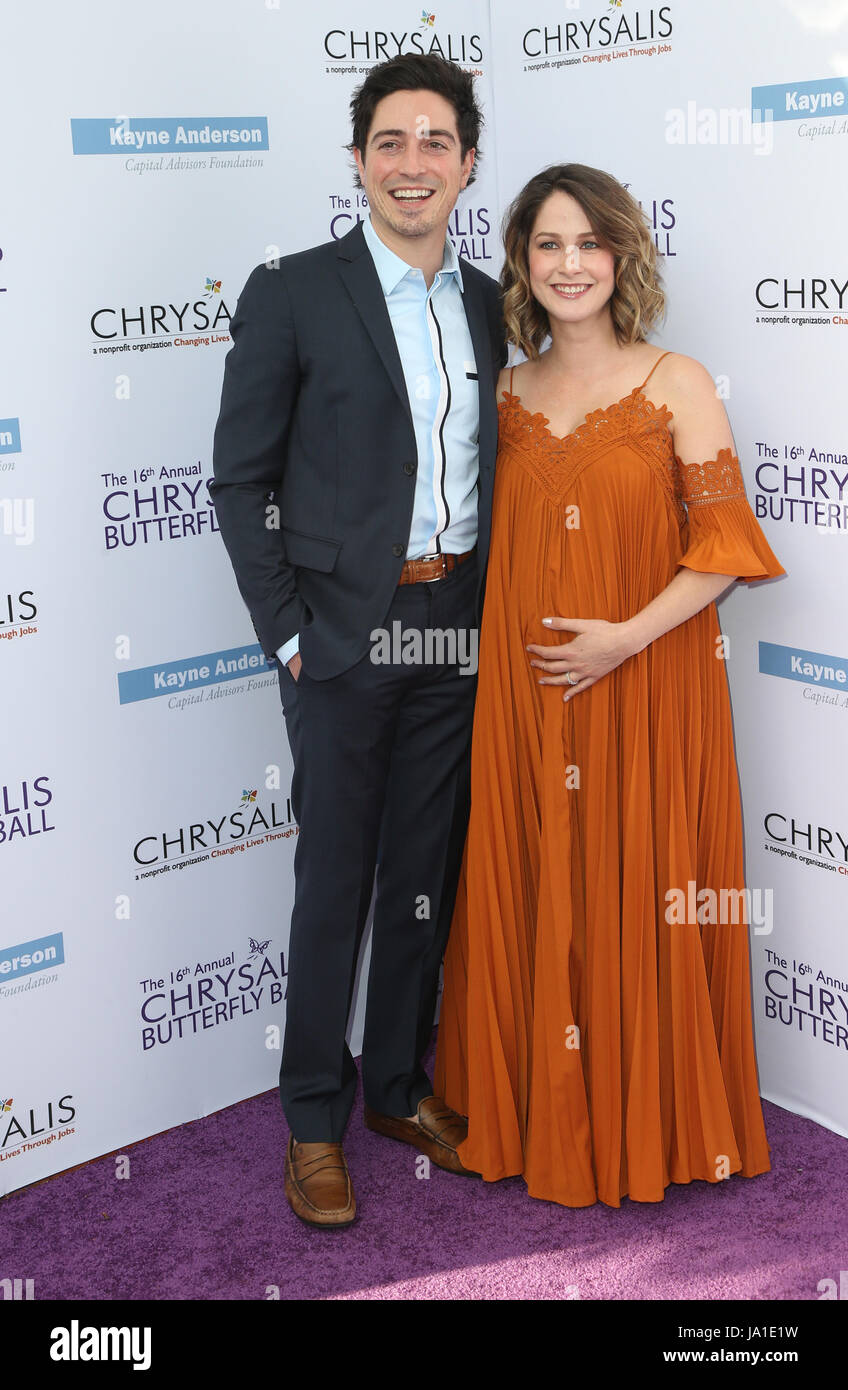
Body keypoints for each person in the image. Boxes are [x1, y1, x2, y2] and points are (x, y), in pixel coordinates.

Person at [433, 163, 785, 1208]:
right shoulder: (498, 390)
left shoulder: (676, 380)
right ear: (520, 265)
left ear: (621, 254)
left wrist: (619, 640)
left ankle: (649, 1119)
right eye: (547, 244)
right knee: (530, 877)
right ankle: (533, 1109)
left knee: (639, 878)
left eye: (588, 242)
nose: (569, 262)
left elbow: (721, 552)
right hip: (519, 694)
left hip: (643, 682)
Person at [210, 54, 505, 1227]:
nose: (412, 161)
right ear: (357, 161)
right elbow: (240, 480)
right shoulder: (291, 291)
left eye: (435, 140)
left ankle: (394, 1083)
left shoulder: (488, 301)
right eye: (390, 140)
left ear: (468, 164)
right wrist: (287, 633)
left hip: (452, 623)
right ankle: (314, 1120)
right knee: (334, 879)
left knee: (422, 871)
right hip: (340, 632)